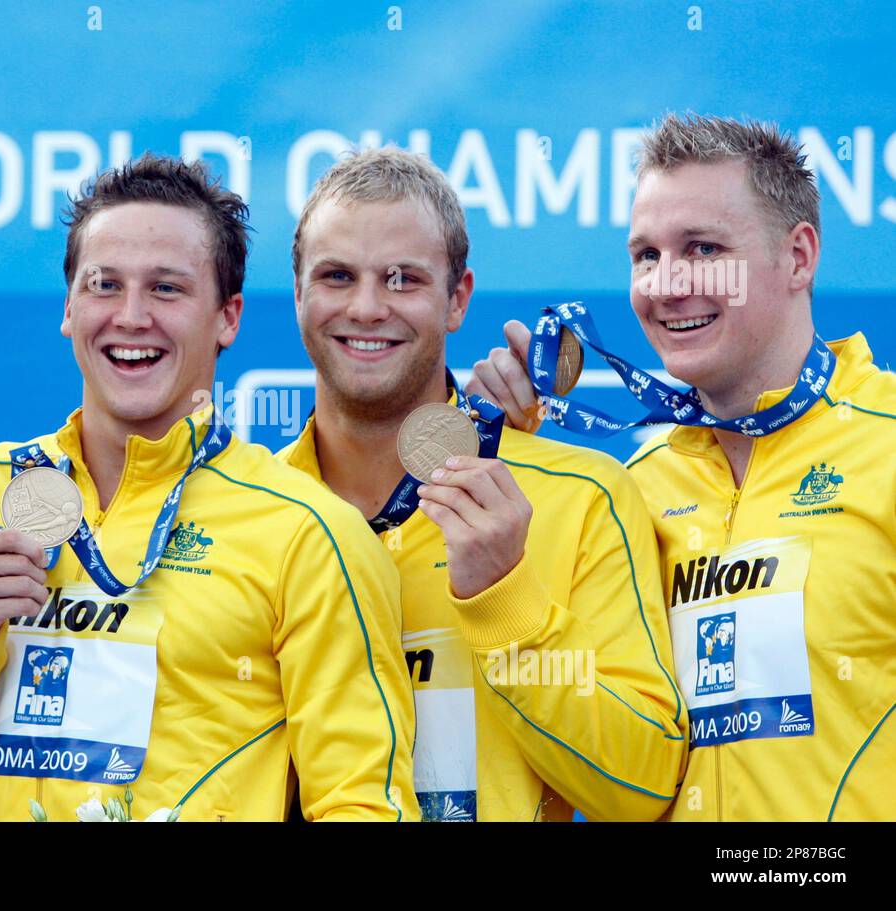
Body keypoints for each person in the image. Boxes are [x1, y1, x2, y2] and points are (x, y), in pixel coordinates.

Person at [0, 154, 417, 822]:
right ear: (68, 307)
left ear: (228, 317)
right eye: (104, 284)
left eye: (167, 289)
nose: (131, 316)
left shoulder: (310, 532)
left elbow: (363, 804)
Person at [466, 114, 896, 821]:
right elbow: (597, 757)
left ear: (798, 256)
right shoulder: (635, 485)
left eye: (702, 249)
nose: (667, 284)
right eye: (645, 256)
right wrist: (518, 467)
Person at [279, 147, 687, 821]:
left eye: (404, 278)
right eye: (336, 276)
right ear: (297, 293)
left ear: (457, 297)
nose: (368, 306)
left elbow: (641, 787)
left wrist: (509, 605)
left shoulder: (580, 497)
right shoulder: (256, 514)